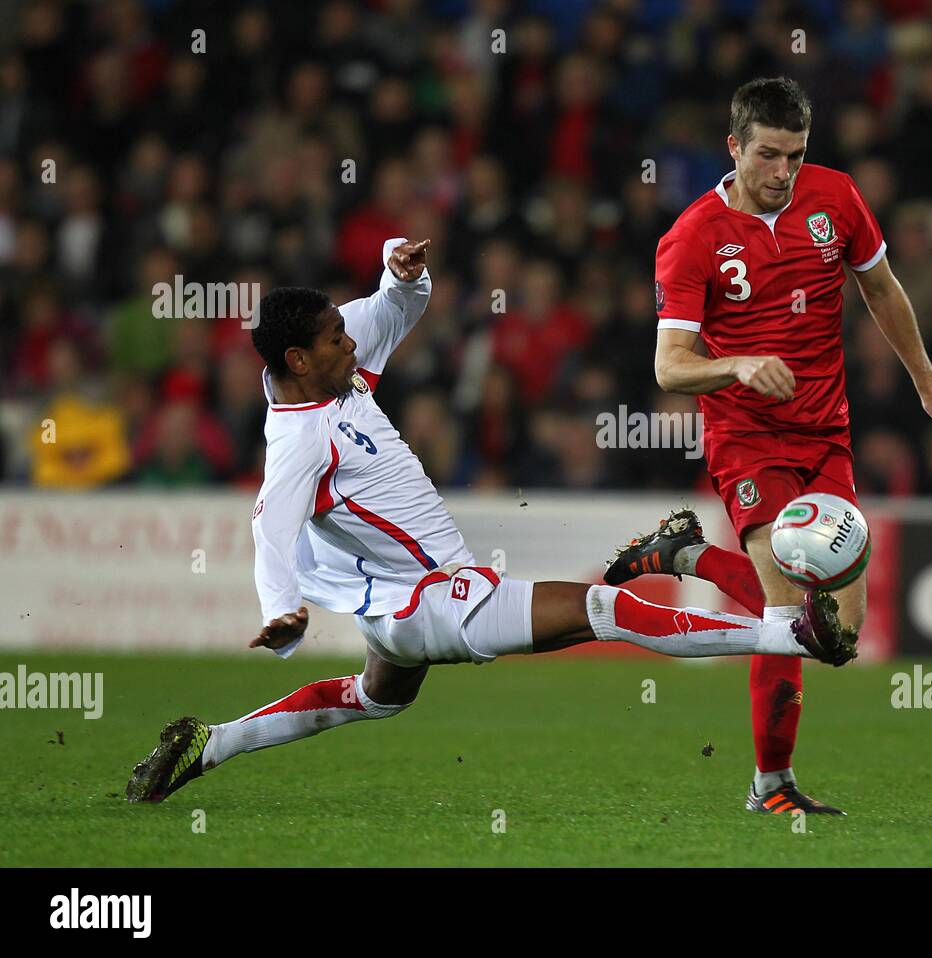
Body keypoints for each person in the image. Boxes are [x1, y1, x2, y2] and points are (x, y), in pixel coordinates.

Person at [124, 237, 857, 805]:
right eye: (334, 340)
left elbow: (391, 310)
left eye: (345, 334)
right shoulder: (298, 441)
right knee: (600, 608)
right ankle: (784, 631)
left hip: (396, 605)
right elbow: (267, 528)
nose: (351, 342)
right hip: (434, 601)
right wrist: (281, 609)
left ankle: (210, 744)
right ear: (297, 358)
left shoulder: (334, 372)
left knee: (376, 698)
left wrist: (401, 275)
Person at [605, 77, 932, 816]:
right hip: (746, 438)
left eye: (796, 156)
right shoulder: (691, 238)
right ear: (734, 147)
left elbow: (882, 290)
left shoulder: (835, 197)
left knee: (837, 635)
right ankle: (771, 785)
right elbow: (668, 365)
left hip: (826, 434)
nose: (782, 174)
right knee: (785, 618)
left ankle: (686, 556)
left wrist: (928, 383)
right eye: (769, 156)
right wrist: (736, 364)